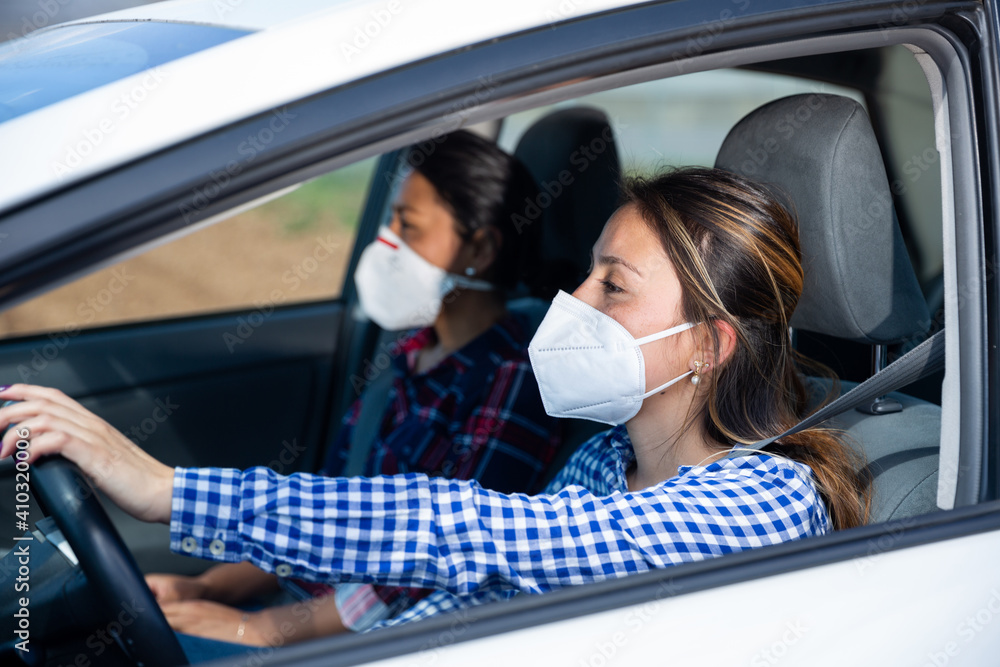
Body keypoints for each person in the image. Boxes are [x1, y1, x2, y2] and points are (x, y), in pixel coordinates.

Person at [0, 166, 871, 651]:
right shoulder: (611, 458)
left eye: (613, 284)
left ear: (710, 345)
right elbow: (470, 595)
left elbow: (469, 531)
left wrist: (169, 490)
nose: (573, 298)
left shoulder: (762, 499)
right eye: (587, 268)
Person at [69, 130, 562, 658]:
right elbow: (321, 503)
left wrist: (259, 631)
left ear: (481, 248)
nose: (387, 242)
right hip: (296, 608)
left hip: (357, 642)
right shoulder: (410, 353)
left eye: (409, 228)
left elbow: (433, 564)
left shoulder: (513, 381)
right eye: (390, 221)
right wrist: (209, 588)